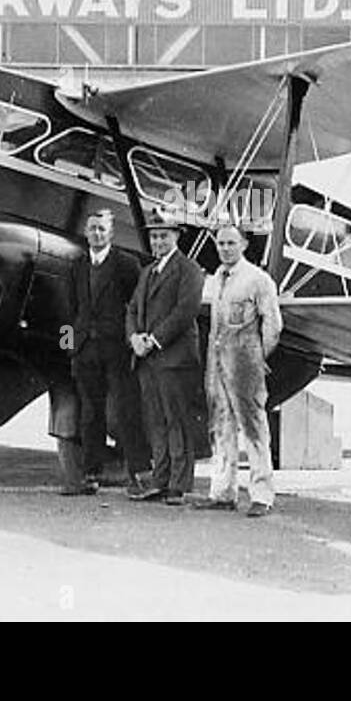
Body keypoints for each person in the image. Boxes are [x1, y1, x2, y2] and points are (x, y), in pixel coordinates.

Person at [194, 223, 283, 517]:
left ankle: (262, 495)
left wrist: (257, 356)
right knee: (220, 427)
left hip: (245, 362)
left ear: (244, 244)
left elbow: (273, 324)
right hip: (217, 363)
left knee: (254, 427)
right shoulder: (217, 278)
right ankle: (222, 492)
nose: (225, 249)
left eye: (231, 243)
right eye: (220, 243)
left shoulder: (258, 280)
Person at [61, 210, 151, 496]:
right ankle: (90, 474)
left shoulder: (126, 264)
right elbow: (73, 309)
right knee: (90, 413)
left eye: (102, 229)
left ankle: (139, 473)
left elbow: (137, 306)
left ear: (111, 233)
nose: (97, 234)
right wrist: (73, 348)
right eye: (93, 229)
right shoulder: (77, 266)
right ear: (86, 232)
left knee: (127, 410)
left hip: (117, 349)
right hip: (86, 350)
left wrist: (132, 339)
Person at [125, 212, 208, 506]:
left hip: (174, 359)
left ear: (176, 236)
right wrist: (134, 337)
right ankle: (159, 481)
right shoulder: (147, 272)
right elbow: (133, 308)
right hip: (147, 360)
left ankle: (178, 484)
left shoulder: (190, 269)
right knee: (156, 421)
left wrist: (152, 340)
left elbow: (186, 311)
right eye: (154, 236)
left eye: (164, 235)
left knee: (177, 421)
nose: (158, 241)